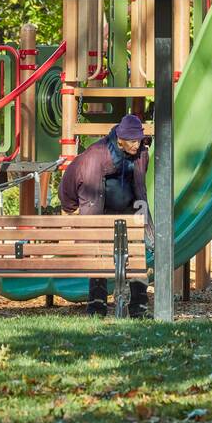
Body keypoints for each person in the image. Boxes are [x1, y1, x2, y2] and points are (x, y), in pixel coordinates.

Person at [59, 113, 153, 317]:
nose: (136, 145)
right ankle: (96, 307)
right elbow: (71, 180)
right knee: (99, 255)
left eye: (138, 140)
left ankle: (139, 309)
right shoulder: (95, 156)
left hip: (128, 207)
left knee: (137, 255)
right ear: (120, 140)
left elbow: (140, 188)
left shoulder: (141, 153)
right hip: (100, 208)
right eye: (132, 141)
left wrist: (146, 224)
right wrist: (69, 206)